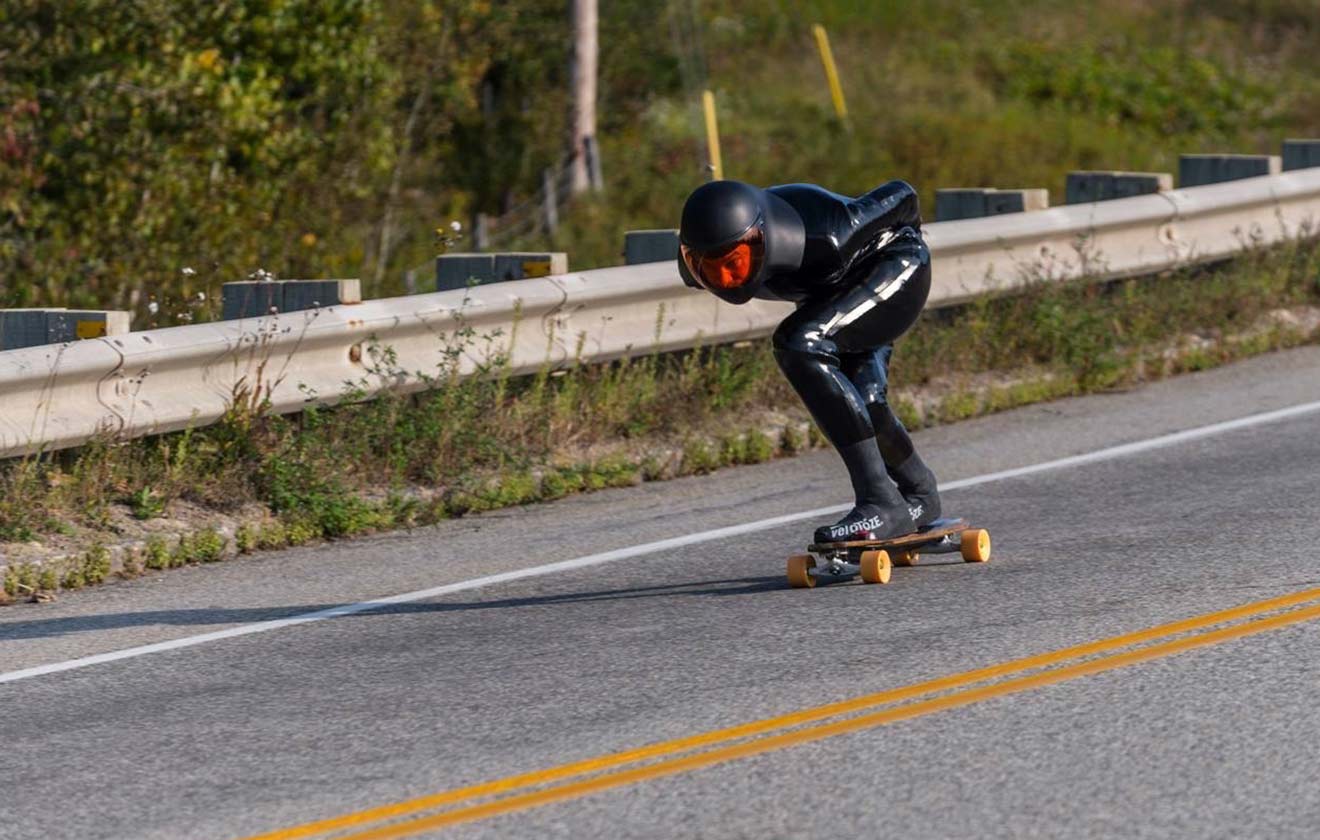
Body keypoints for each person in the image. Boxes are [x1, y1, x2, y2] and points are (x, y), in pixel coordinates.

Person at [677, 179, 941, 544]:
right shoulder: (701, 261)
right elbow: (714, 259)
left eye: (735, 264)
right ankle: (920, 493)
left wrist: (902, 237)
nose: (724, 280)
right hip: (830, 297)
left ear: (761, 239)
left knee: (800, 343)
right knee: (864, 400)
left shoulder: (830, 233)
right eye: (708, 269)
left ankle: (880, 500)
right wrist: (712, 266)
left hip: (895, 267)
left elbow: (904, 194)